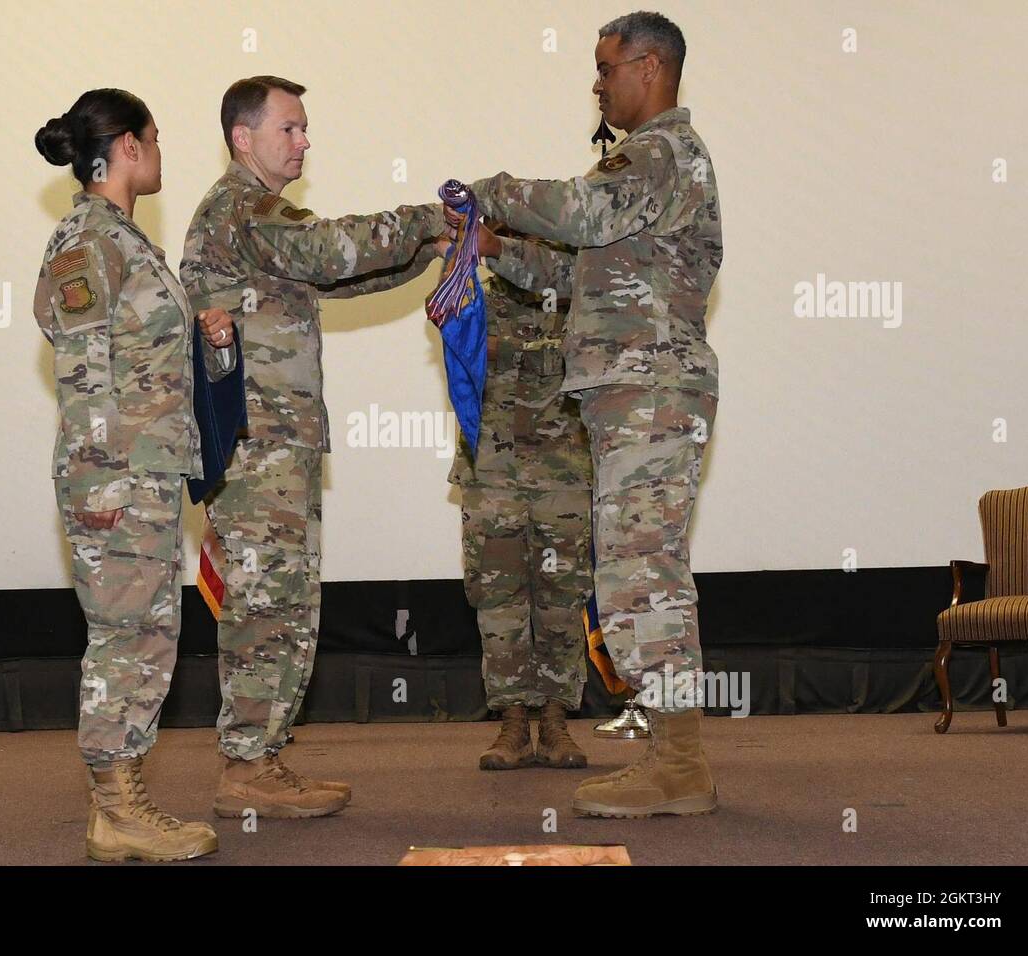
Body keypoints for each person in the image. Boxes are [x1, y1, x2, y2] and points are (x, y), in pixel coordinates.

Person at [457, 11, 723, 817]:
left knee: (645, 575)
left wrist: (492, 192)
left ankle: (678, 764)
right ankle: (670, 757)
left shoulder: (659, 153)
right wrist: (498, 251)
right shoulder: (650, 166)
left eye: (606, 68)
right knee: (634, 572)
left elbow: (581, 214)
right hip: (632, 397)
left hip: (650, 394)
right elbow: (578, 270)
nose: (599, 84)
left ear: (648, 66)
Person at [180, 75, 445, 818]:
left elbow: (335, 278)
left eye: (303, 129)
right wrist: (431, 218)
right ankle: (244, 768)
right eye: (289, 129)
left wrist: (431, 248)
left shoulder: (257, 220)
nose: (303, 141)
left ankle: (260, 758)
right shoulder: (241, 208)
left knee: (286, 601)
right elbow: (332, 250)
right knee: (268, 604)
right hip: (255, 446)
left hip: (275, 446)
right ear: (244, 137)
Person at [33, 88, 236, 860]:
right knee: (127, 639)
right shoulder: (90, 240)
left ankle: (116, 809)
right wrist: (108, 486)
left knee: (146, 635)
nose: (160, 152)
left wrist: (206, 336)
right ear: (125, 146)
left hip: (143, 471)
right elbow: (86, 372)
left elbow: (138, 358)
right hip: (116, 475)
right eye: (153, 138)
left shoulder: (126, 239)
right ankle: (117, 808)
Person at [447, 225, 593, 772]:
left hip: (562, 466)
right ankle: (511, 723)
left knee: (561, 597)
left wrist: (510, 347)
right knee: (499, 599)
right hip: (492, 468)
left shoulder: (572, 288)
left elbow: (585, 355)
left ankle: (556, 722)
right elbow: (457, 344)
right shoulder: (468, 286)